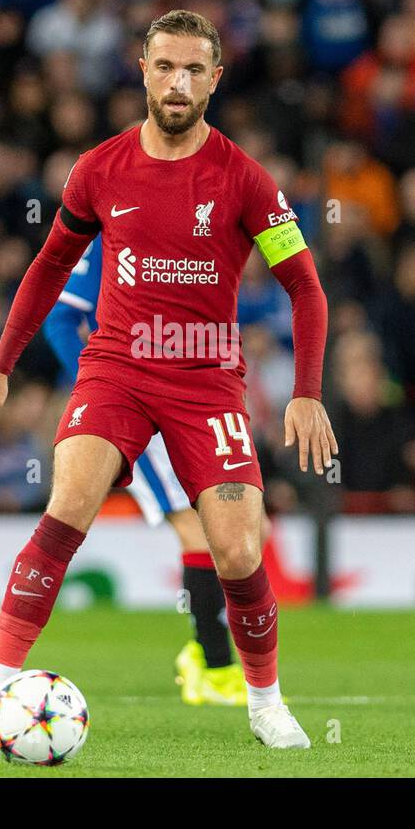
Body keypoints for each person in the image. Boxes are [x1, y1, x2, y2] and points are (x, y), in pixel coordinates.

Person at [0, 10, 335, 748]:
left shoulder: (246, 179)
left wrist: (308, 391)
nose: (178, 82)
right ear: (144, 70)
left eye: (194, 69)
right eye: (166, 66)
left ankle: (265, 703)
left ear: (215, 80)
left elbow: (307, 288)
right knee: (67, 508)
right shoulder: (98, 168)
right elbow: (49, 269)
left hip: (207, 380)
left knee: (238, 551)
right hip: (117, 368)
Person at [43, 233, 247, 706]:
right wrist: (103, 390)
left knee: (239, 526)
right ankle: (213, 669)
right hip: (139, 403)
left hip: (198, 399)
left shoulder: (198, 230)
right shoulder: (114, 234)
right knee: (199, 528)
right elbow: (61, 316)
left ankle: (206, 657)